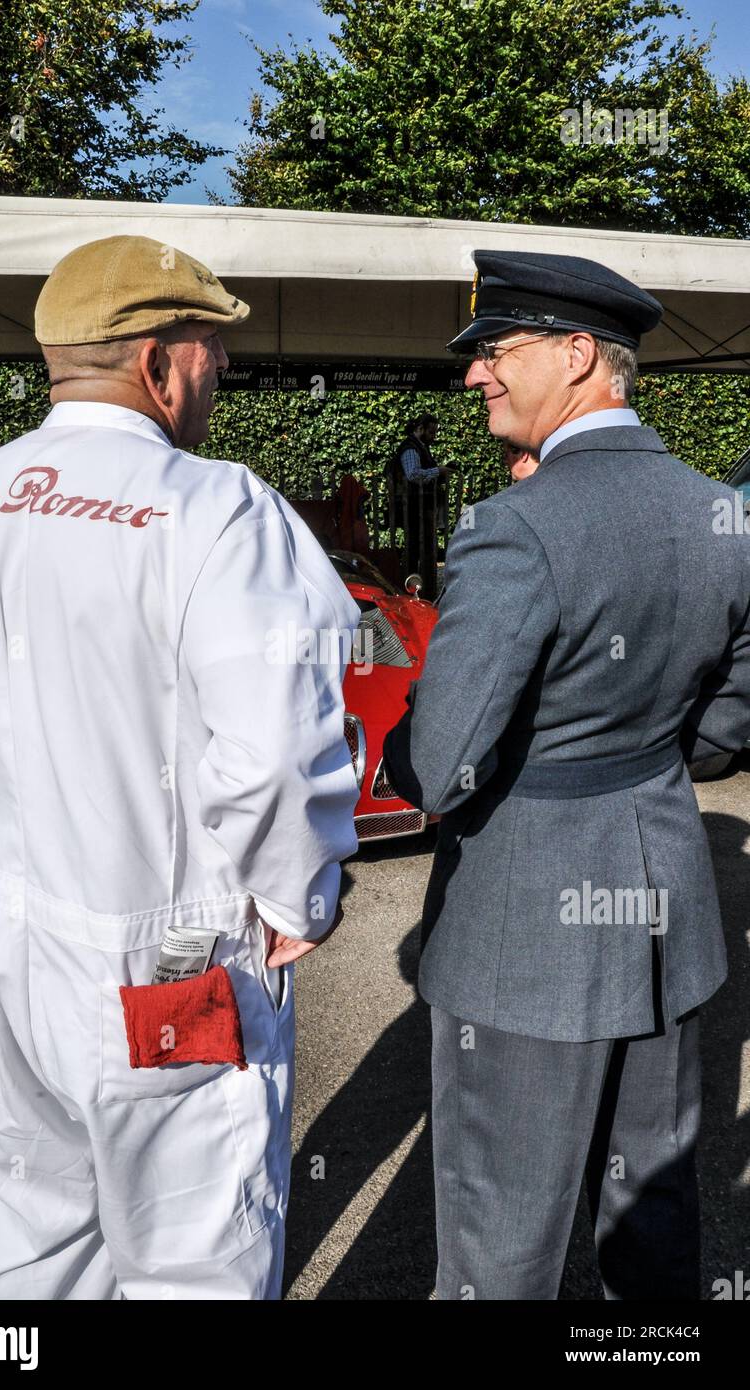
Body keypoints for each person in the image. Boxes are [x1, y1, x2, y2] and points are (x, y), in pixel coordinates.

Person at [0, 235, 360, 1300]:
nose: (222, 371)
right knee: (196, 1255)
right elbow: (278, 753)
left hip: (12, 945)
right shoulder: (218, 511)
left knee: (33, 1235)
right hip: (174, 955)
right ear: (159, 361)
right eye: (210, 350)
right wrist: (296, 895)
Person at [383, 249, 750, 1301]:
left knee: (502, 1247)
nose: (474, 375)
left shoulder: (514, 523)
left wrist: (412, 748)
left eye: (494, 351)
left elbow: (440, 765)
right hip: (663, 918)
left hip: (523, 937)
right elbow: (723, 723)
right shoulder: (718, 513)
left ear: (577, 353)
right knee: (650, 1227)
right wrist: (624, 761)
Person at [389, 413, 449, 592]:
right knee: (415, 548)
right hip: (414, 508)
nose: (434, 436)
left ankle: (422, 586)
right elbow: (413, 474)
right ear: (420, 428)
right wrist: (438, 471)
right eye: (431, 432)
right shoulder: (410, 448)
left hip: (419, 507)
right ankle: (413, 587)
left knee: (422, 547)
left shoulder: (419, 446)